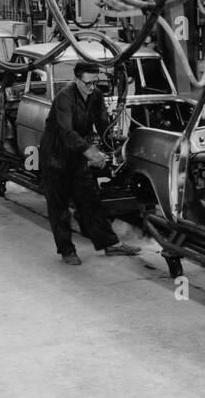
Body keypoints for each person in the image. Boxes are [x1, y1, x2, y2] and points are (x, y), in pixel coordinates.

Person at [39, 61, 139, 265]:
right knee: (59, 208)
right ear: (76, 80)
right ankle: (67, 251)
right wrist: (89, 151)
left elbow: (103, 124)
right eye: (88, 83)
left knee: (91, 200)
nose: (92, 87)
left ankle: (110, 244)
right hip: (56, 157)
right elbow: (66, 132)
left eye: (95, 83)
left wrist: (112, 146)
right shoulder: (64, 98)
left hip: (78, 155)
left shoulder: (96, 96)